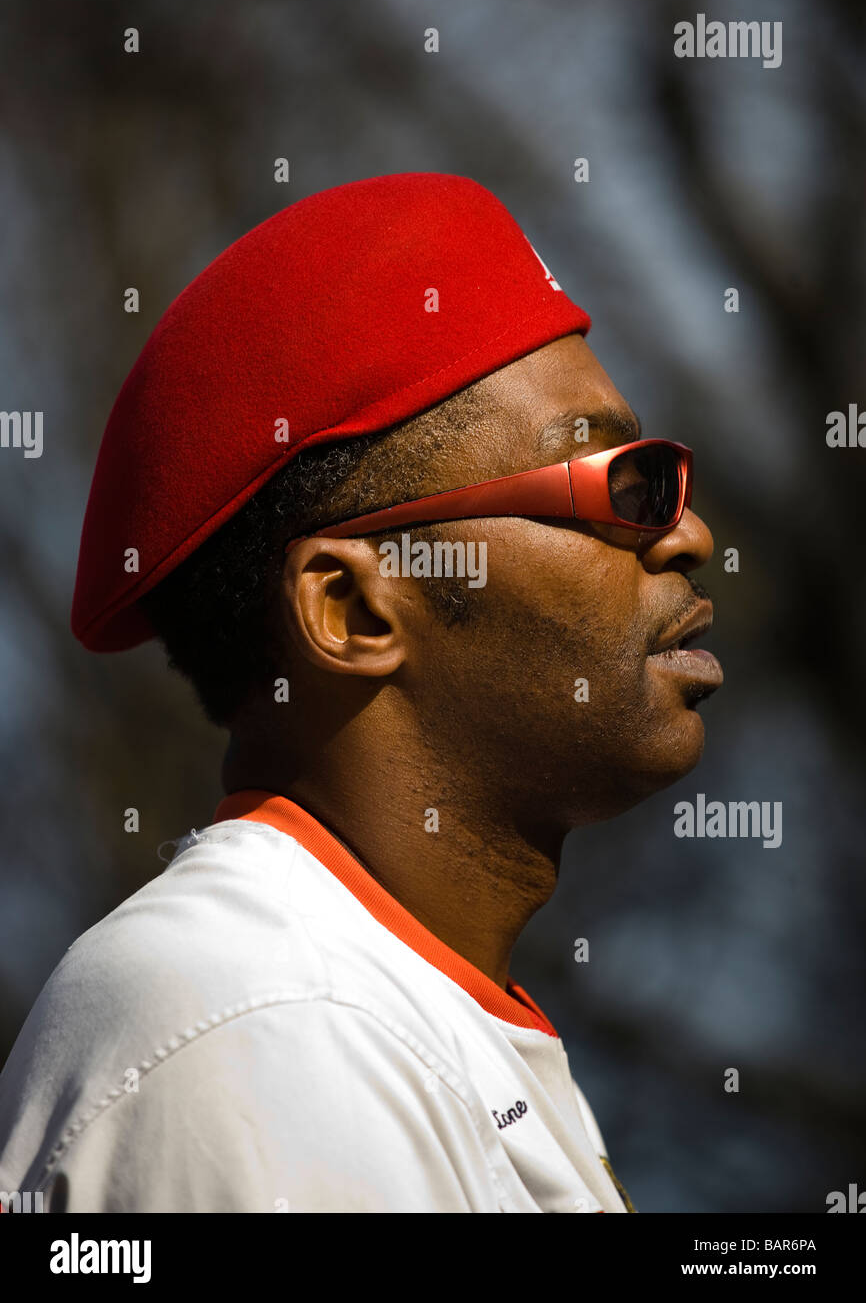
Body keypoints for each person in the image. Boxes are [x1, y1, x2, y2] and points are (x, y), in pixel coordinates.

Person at [0, 173, 721, 1213]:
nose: (684, 532)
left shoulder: (363, 1012)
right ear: (352, 608)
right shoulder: (259, 1021)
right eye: (617, 482)